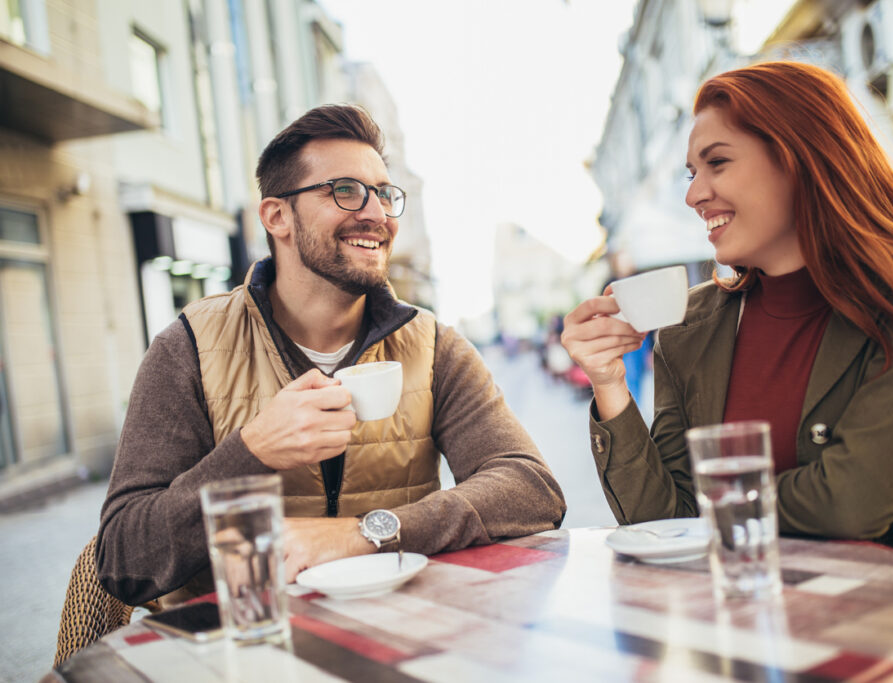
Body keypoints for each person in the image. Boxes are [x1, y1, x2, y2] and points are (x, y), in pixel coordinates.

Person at [560, 61, 893, 610]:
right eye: (690, 173)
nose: (694, 195)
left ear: (802, 159)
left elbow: (853, 503)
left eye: (717, 163)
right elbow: (665, 525)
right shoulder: (691, 327)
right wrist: (608, 384)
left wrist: (715, 512)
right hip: (751, 618)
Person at [97, 104, 566, 606]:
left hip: (405, 636)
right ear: (277, 216)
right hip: (247, 650)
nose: (377, 214)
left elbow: (531, 488)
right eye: (345, 190)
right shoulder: (188, 347)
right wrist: (252, 451)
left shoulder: (432, 345)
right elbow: (125, 560)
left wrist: (369, 532)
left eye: (384, 194)